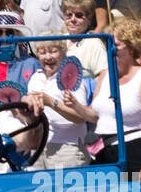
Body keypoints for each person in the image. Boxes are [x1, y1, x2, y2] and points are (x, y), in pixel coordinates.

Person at [91, 18, 141, 178]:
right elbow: (95, 115)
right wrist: (69, 105)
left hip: (134, 152)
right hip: (104, 153)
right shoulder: (104, 76)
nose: (110, 50)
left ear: (131, 48)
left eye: (115, 45)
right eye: (108, 45)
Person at [26, 36, 97, 169]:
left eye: (53, 51)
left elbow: (80, 117)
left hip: (68, 149)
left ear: (63, 53)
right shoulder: (36, 78)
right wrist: (25, 103)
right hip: (39, 149)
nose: (48, 57)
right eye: (42, 52)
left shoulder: (72, 78)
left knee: (66, 190)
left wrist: (51, 102)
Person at [0, 9, 40, 110]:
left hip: (19, 119)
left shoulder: (31, 64)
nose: (4, 37)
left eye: (9, 32)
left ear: (19, 36)